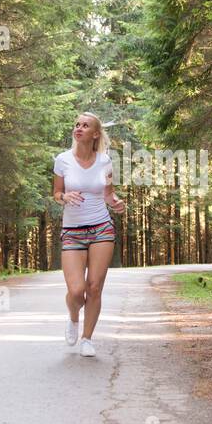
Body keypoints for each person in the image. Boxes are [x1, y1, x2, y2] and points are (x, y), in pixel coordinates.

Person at [52, 112, 126, 357]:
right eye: (77, 124)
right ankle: (74, 317)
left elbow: (108, 193)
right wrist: (64, 197)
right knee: (76, 291)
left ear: (95, 134)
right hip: (72, 231)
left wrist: (116, 203)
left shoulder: (105, 161)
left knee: (94, 288)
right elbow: (56, 193)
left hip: (101, 227)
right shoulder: (63, 160)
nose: (79, 128)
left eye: (85, 125)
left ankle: (87, 338)